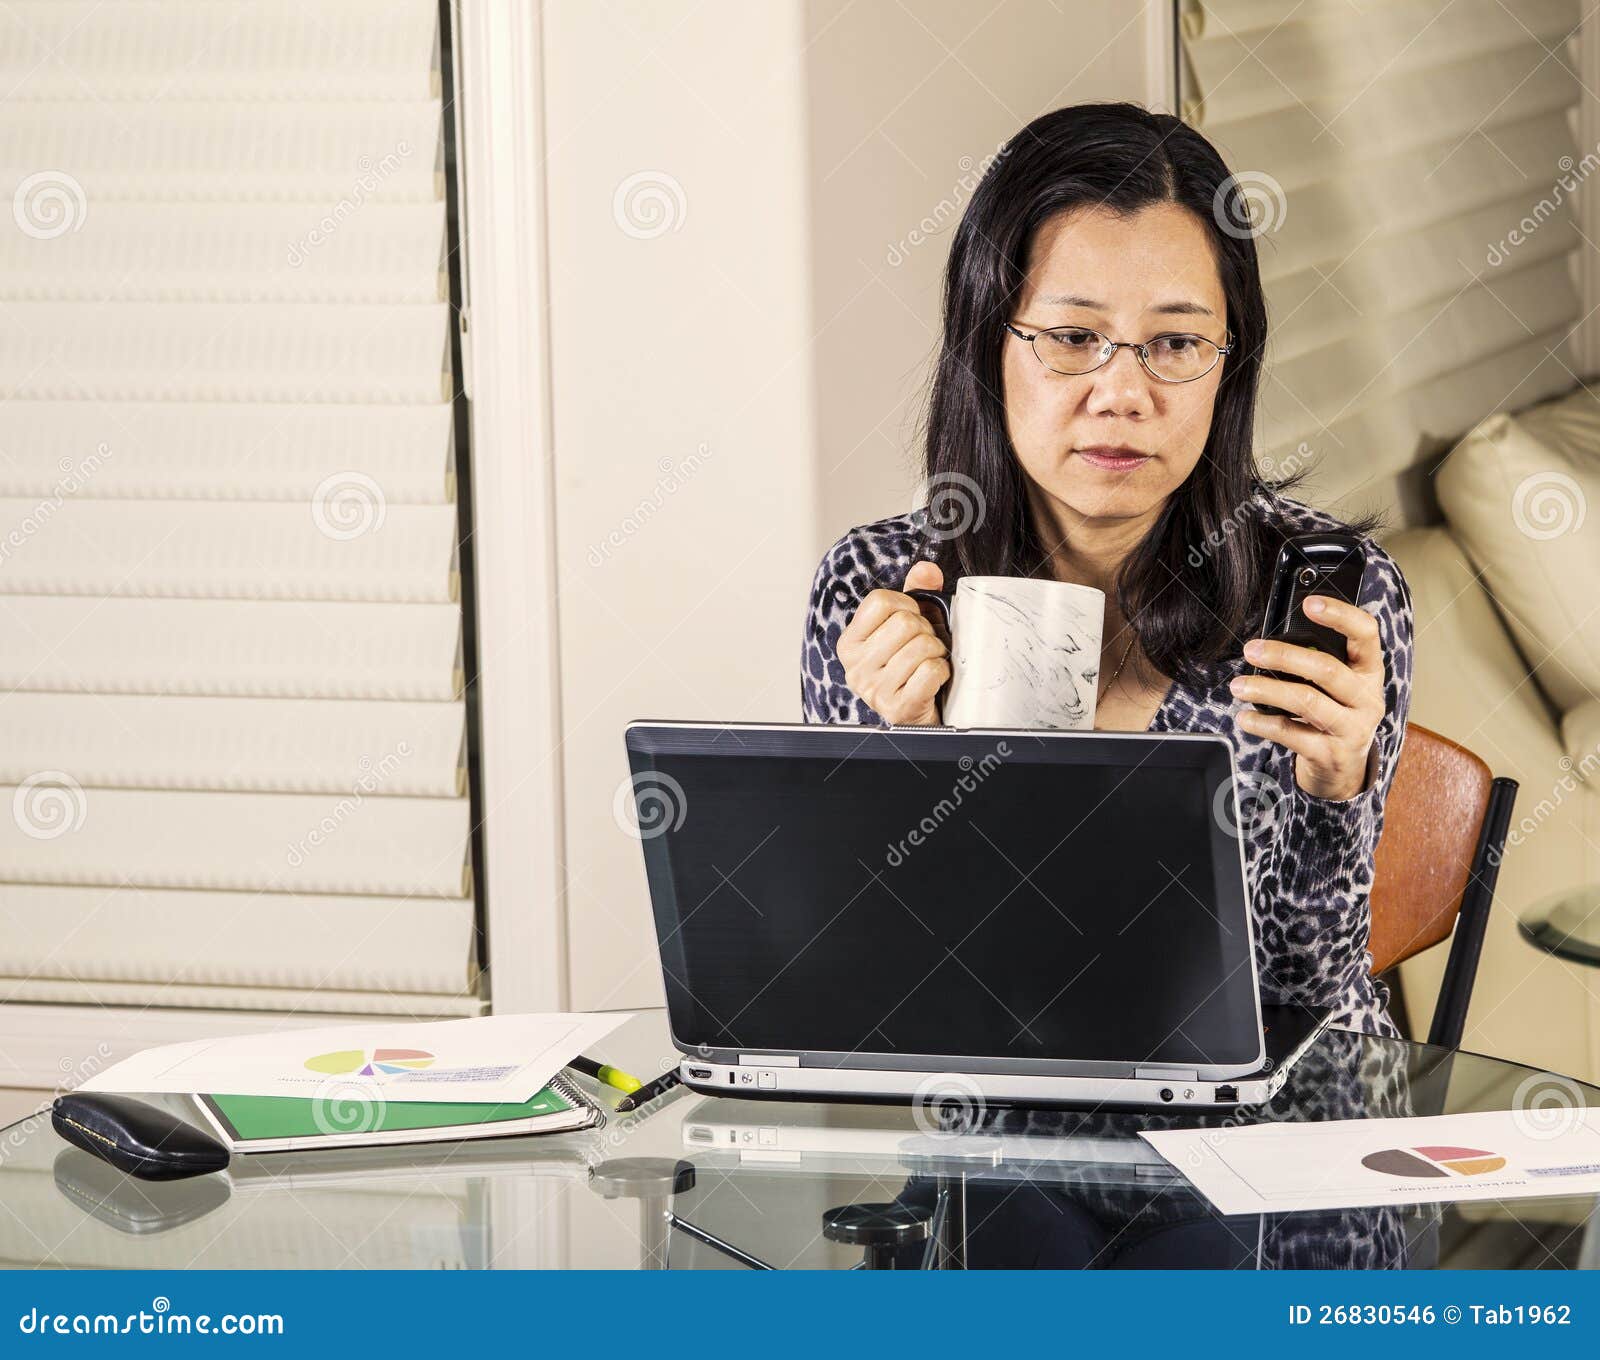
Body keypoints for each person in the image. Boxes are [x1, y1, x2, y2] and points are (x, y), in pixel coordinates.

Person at [799, 102, 1412, 1036]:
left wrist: (1337, 792)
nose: (1122, 394)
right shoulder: (880, 587)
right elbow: (879, 992)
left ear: (1228, 364)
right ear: (988, 345)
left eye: (1174, 343)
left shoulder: (1323, 596)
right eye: (1074, 338)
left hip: (1259, 1134)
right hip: (983, 1139)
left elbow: (1309, 998)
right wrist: (912, 764)